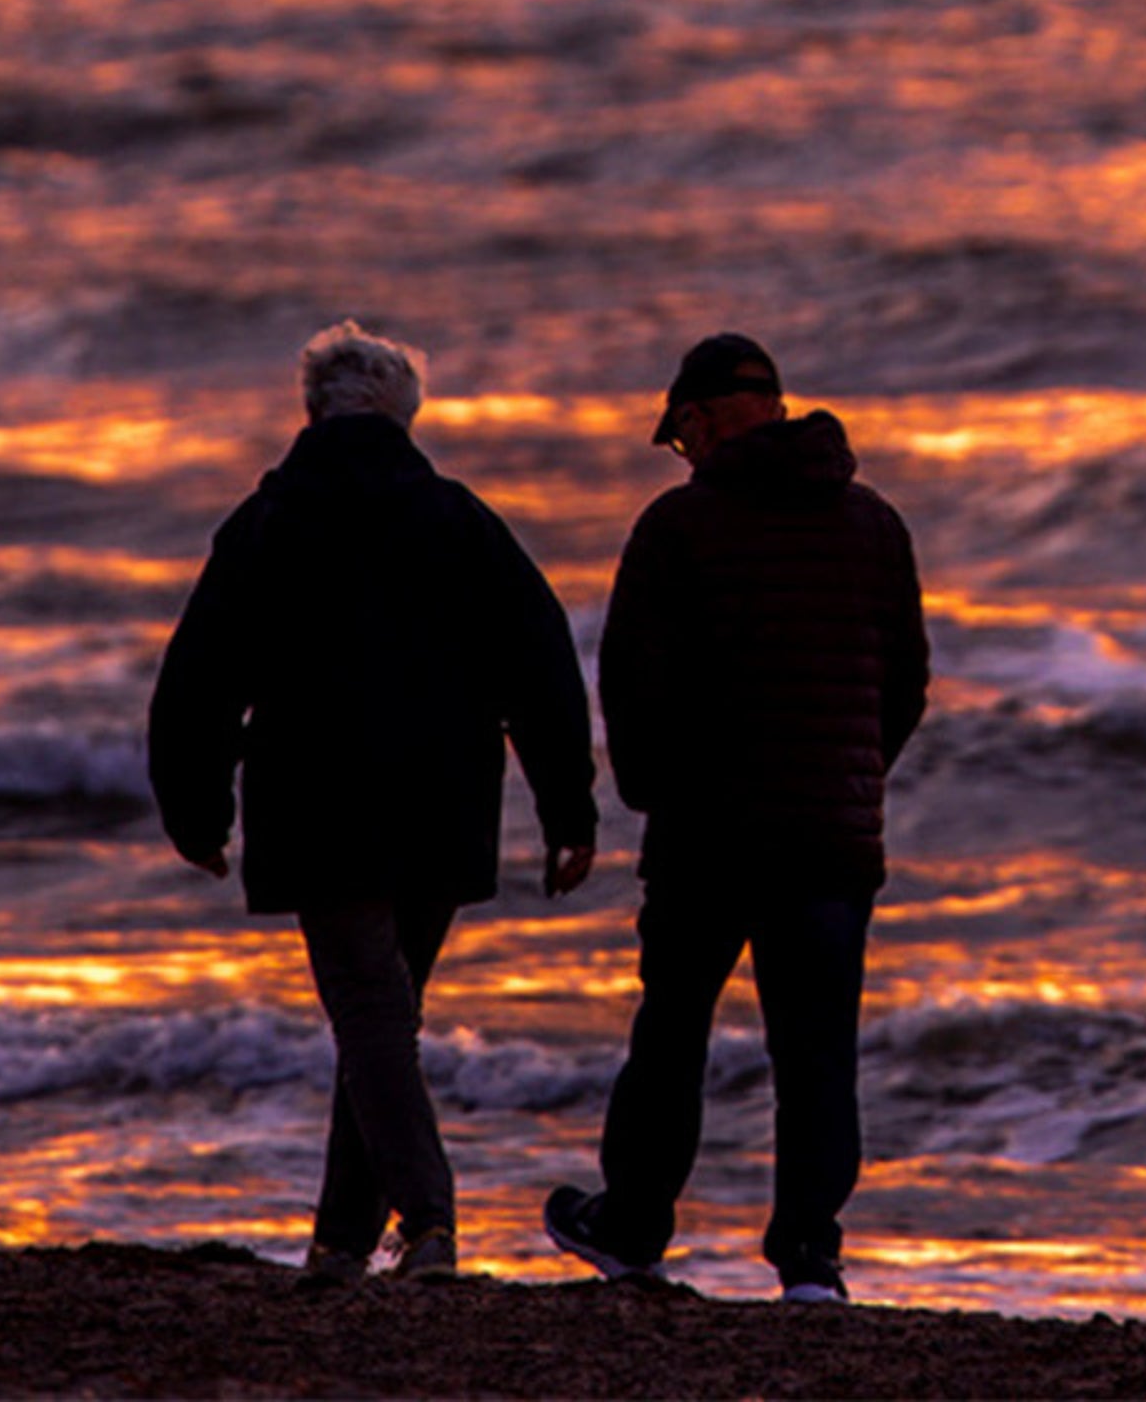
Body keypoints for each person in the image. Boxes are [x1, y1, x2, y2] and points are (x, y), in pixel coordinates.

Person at [146, 322, 598, 1286]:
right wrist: (569, 810)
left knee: (371, 1010)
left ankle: (428, 1223)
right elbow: (542, 662)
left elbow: (201, 676)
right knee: (383, 1011)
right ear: (405, 416)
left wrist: (196, 808)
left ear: (312, 414)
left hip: (316, 802)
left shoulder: (267, 521)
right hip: (442, 800)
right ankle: (344, 1243)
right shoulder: (456, 518)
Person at [545, 332, 929, 1306]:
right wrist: (846, 775)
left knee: (673, 1033)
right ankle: (810, 1262)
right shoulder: (874, 525)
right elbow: (907, 682)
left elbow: (632, 688)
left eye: (679, 435)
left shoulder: (678, 528)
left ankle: (631, 1230)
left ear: (706, 417)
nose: (682, 453)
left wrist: (646, 792)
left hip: (708, 836)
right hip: (832, 838)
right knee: (817, 1054)